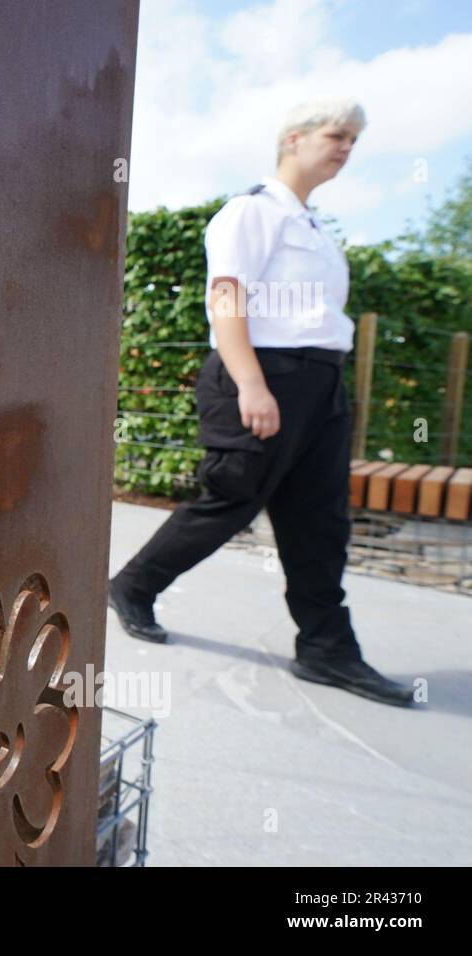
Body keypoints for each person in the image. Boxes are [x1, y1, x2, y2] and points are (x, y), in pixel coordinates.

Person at [108, 98, 415, 707]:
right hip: (263, 372)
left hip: (320, 384)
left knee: (320, 521)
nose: (347, 148)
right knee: (230, 498)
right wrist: (251, 384)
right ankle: (133, 586)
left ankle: (327, 650)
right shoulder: (250, 211)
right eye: (337, 135)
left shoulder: (315, 228)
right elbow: (226, 299)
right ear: (294, 139)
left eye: (354, 139)